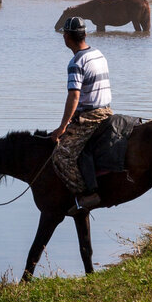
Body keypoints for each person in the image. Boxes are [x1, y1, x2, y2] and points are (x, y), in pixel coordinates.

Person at [50, 16, 113, 214]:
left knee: (61, 156)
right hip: (107, 109)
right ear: (85, 34)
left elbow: (74, 96)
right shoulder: (98, 53)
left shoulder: (76, 62)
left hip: (91, 116)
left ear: (66, 37)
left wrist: (62, 127)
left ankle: (87, 194)